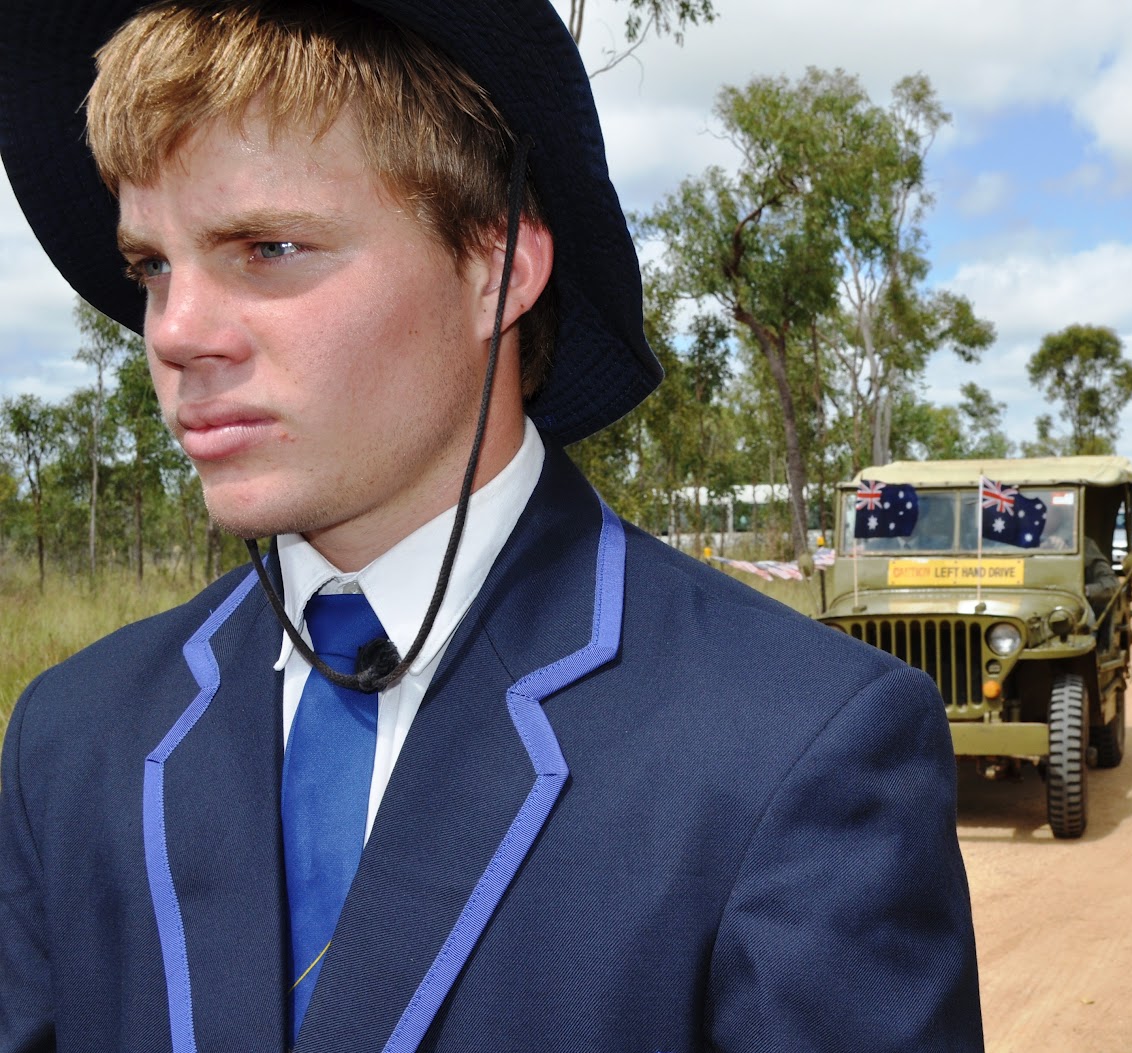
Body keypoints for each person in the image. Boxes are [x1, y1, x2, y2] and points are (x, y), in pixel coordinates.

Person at [0, 3, 983, 1050]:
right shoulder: (73, 741)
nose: (175, 332)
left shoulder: (792, 749)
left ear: (496, 268)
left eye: (269, 247)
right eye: (152, 266)